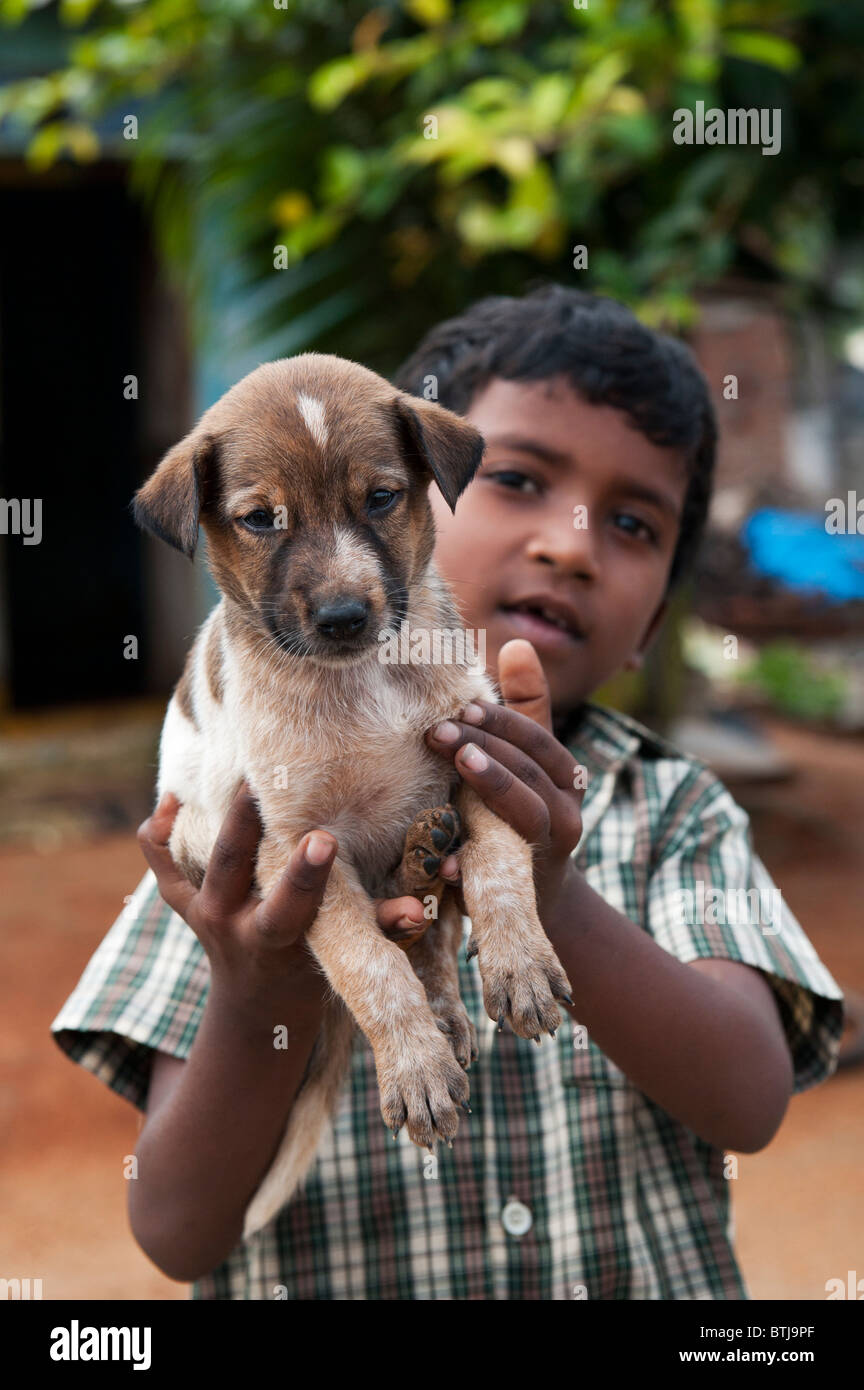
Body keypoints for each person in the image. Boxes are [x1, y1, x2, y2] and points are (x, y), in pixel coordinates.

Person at [51, 286, 843, 1300]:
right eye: (517, 479)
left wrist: (544, 892)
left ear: (657, 624)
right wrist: (268, 992)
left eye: (634, 522)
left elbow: (751, 1102)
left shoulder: (673, 809)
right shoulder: (224, 833)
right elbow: (174, 1231)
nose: (568, 543)